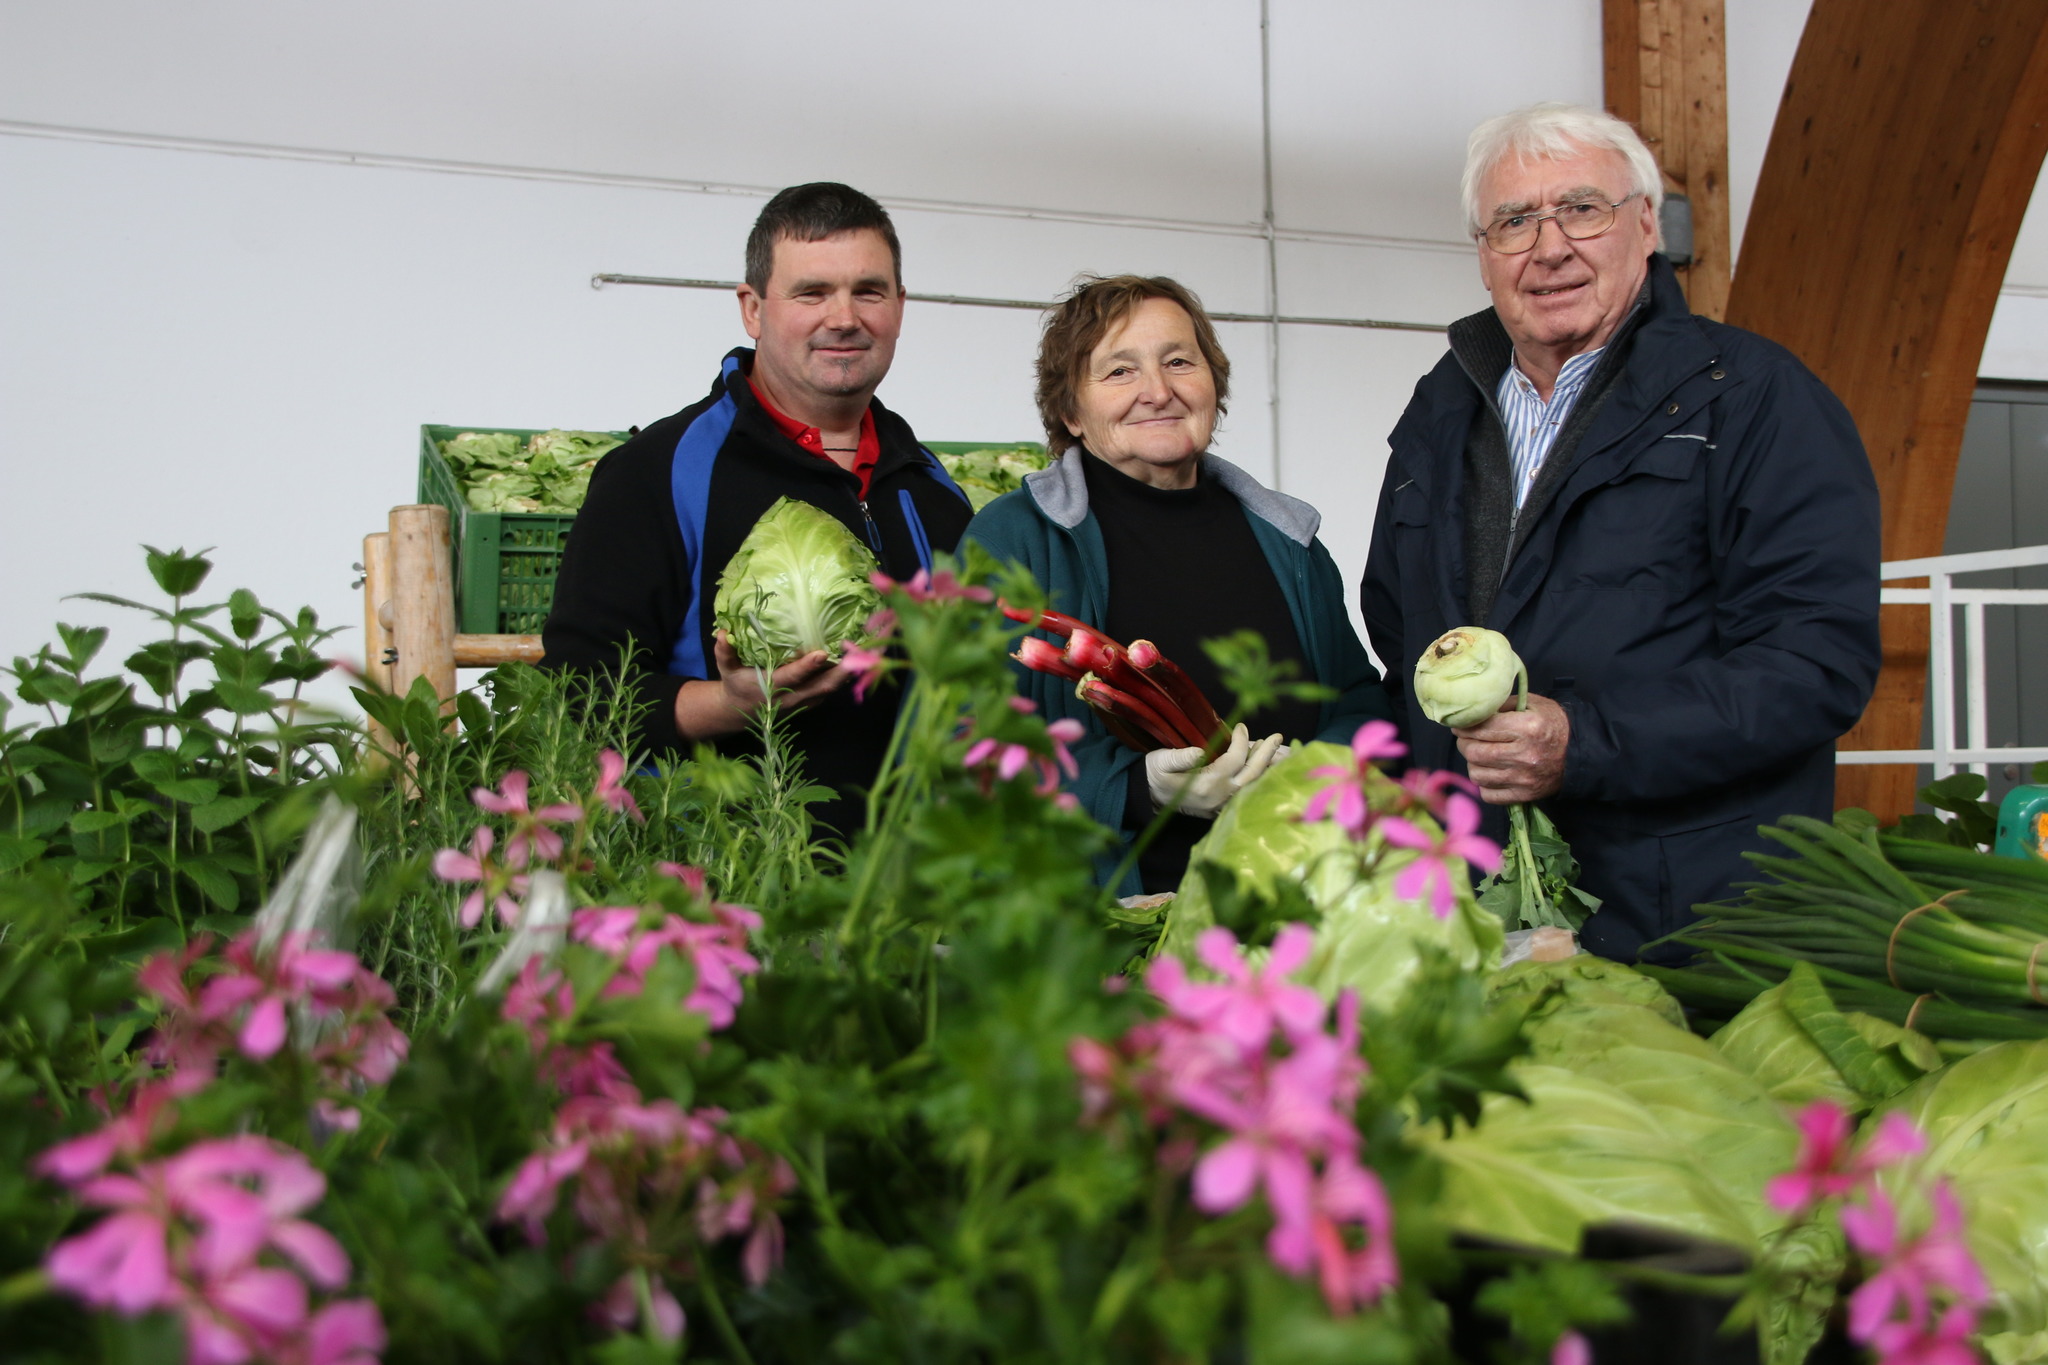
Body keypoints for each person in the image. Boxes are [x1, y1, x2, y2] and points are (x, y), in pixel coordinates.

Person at [1362, 102, 1881, 962]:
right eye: (1514, 221)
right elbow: (1400, 636)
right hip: (1475, 909)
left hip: (1688, 922)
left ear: (1646, 226)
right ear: (1484, 256)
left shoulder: (1752, 398)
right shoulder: (1441, 408)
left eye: (1582, 208)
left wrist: (1586, 744)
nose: (1550, 245)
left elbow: (1814, 662)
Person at [543, 182, 973, 836]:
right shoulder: (658, 471)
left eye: (869, 291)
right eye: (811, 292)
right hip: (726, 881)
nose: (844, 317)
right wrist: (728, 703)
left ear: (900, 307)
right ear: (752, 309)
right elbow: (577, 689)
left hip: (902, 893)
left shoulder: (933, 488)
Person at [969, 275, 1393, 894]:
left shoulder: (1288, 539)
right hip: (1110, 930)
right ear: (1070, 412)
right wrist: (1137, 789)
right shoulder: (1016, 541)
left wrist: (1317, 772)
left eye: (1178, 362)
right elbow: (966, 746)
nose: (1158, 391)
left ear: (1213, 384)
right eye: (1119, 372)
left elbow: (1360, 703)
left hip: (1298, 904)